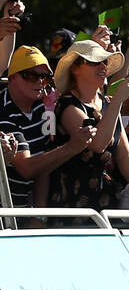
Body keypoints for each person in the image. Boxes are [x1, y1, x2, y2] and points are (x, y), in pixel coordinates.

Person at [47, 39, 129, 213]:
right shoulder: (67, 105)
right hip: (71, 203)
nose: (102, 66)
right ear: (74, 68)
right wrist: (118, 100)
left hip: (105, 199)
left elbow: (125, 154)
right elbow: (98, 145)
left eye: (104, 61)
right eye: (94, 61)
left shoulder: (107, 103)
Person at [0, 46, 94, 209]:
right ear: (12, 78)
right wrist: (72, 147)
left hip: (21, 209)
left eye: (45, 77)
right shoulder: (3, 110)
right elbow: (27, 168)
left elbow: (44, 164)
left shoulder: (40, 107)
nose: (39, 82)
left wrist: (39, 214)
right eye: (30, 76)